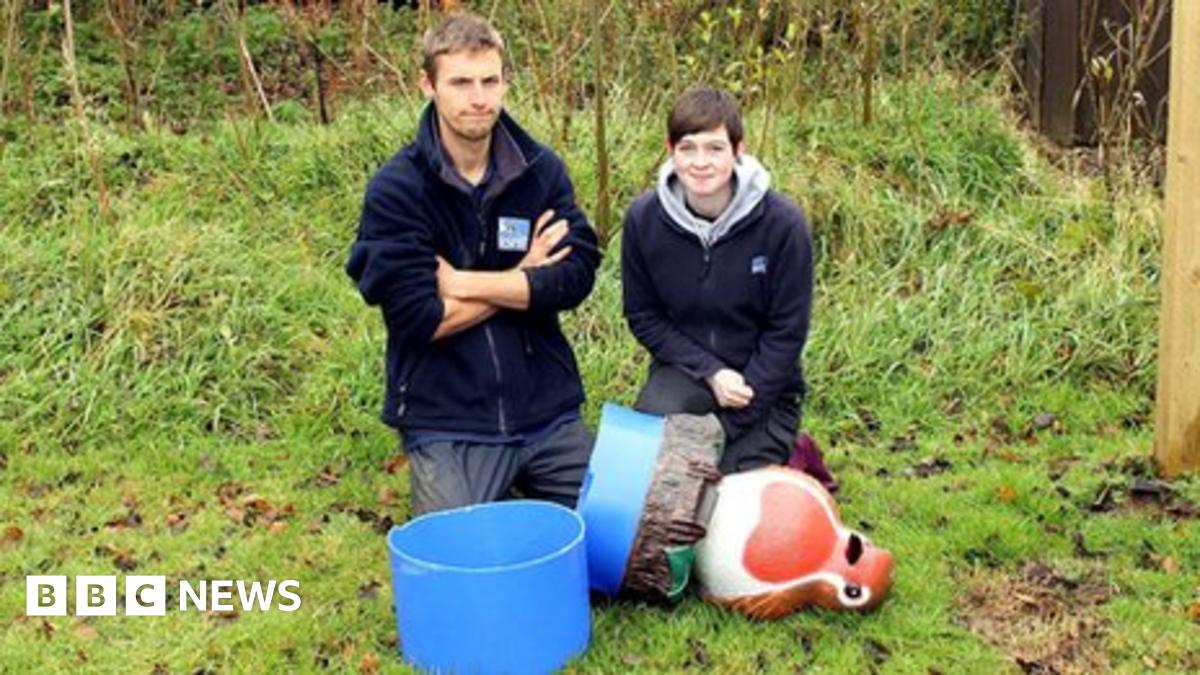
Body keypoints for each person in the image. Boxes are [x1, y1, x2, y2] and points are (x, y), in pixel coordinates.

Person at [346, 12, 600, 516]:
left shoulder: (540, 170)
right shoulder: (397, 190)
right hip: (446, 417)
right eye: (461, 83)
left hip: (545, 410)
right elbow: (420, 319)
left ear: (505, 82)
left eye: (490, 80)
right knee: (456, 552)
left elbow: (575, 277)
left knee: (628, 541)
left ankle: (526, 488)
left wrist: (461, 282)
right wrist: (524, 276)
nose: (478, 98)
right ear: (428, 85)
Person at [621, 87, 814, 475]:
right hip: (686, 374)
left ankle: (794, 452)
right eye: (687, 148)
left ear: (738, 150)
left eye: (714, 148)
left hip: (763, 390)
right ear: (670, 150)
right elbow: (644, 316)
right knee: (646, 476)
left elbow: (787, 332)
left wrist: (726, 428)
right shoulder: (643, 219)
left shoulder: (783, 224)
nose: (700, 162)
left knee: (719, 492)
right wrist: (710, 371)